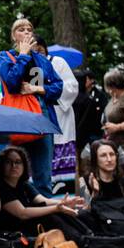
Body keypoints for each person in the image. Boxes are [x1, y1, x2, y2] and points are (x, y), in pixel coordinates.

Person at [0, 18, 63, 187]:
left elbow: (58, 86)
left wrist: (38, 89)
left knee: (43, 176)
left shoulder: (42, 60)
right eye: (21, 29)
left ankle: (44, 211)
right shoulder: (5, 57)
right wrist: (23, 56)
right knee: (13, 174)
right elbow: (11, 83)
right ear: (13, 36)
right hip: (16, 119)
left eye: (29, 29)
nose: (26, 32)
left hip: (42, 119)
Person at [0, 144, 90, 243]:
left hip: (29, 224)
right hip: (14, 231)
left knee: (78, 213)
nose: (14, 166)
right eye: (9, 162)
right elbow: (22, 213)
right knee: (51, 217)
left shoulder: (23, 184)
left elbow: (43, 200)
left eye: (18, 162)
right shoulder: (1, 187)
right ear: (2, 165)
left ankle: (88, 235)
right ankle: (83, 243)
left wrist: (64, 202)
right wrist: (56, 208)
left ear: (24, 166)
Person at [37, 37, 80, 190]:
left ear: (44, 49)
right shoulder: (26, 65)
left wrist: (47, 91)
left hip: (59, 112)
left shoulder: (58, 62)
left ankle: (62, 194)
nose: (37, 53)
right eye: (32, 50)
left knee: (60, 157)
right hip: (36, 114)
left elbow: (72, 87)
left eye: (39, 49)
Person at [82, 138, 124, 202]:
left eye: (112, 154)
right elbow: (82, 212)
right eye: (103, 155)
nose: (109, 159)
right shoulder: (85, 182)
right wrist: (95, 192)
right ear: (95, 159)